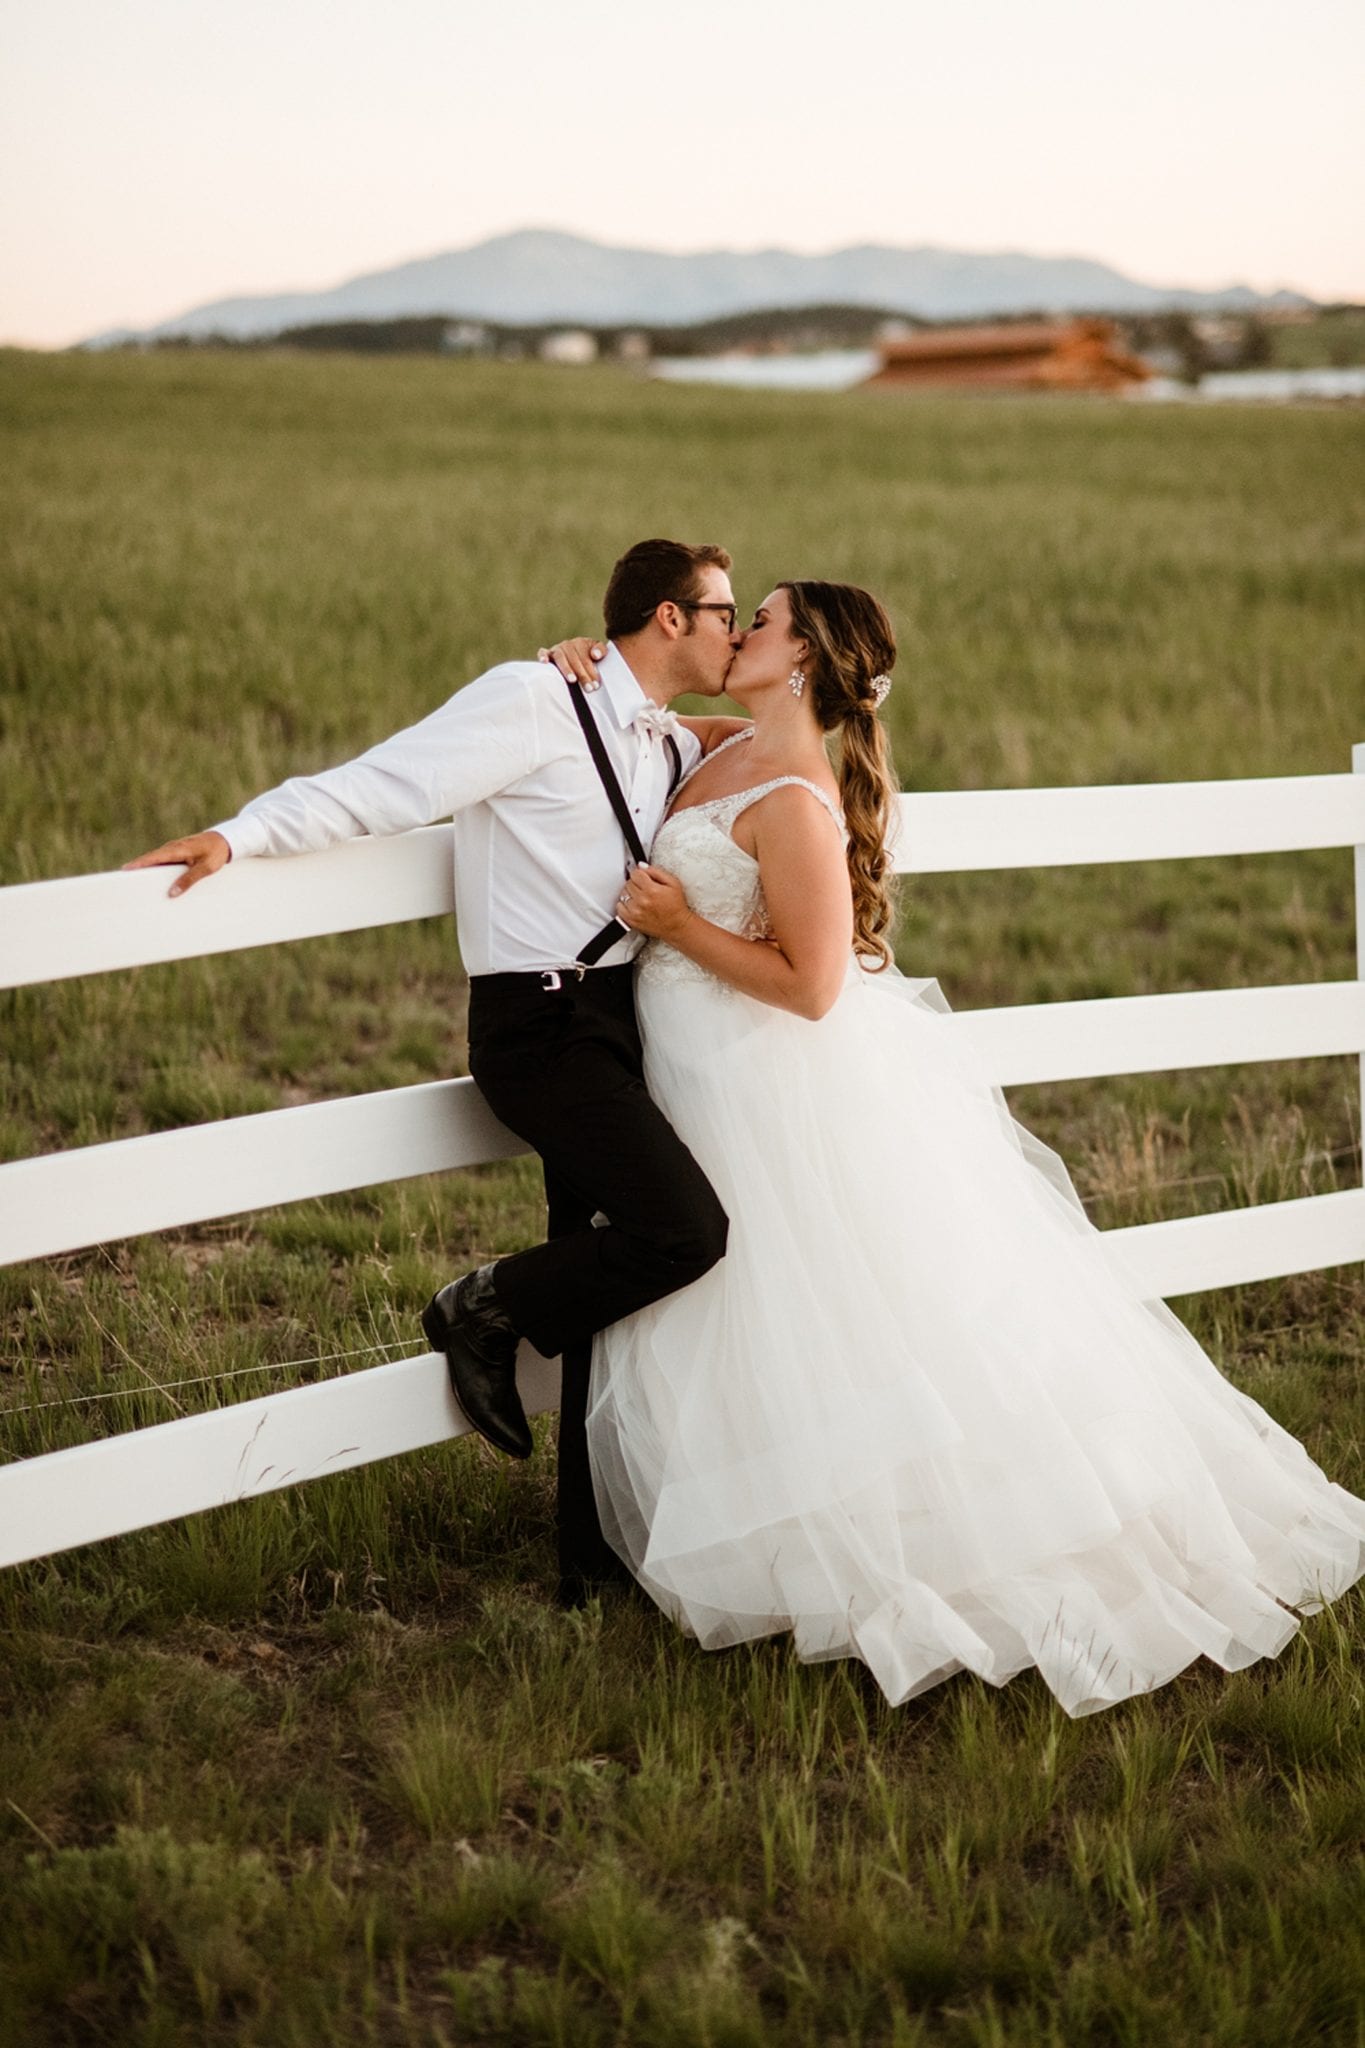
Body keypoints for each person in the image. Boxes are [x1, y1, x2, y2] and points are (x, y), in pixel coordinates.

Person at [541, 582, 1365, 1716]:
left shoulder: (796, 800)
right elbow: (635, 724)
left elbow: (815, 987)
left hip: (754, 1074)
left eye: (762, 620)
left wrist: (680, 926)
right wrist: (584, 660)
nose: (740, 630)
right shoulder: (724, 745)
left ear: (802, 660)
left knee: (805, 1303)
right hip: (690, 1069)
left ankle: (895, 1537)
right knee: (738, 1302)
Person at [126, 537, 754, 1606]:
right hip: (539, 1031)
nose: (734, 631)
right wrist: (242, 833)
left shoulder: (658, 734)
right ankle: (482, 1305)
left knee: (604, 1296)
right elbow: (389, 782)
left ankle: (588, 1560)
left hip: (616, 1021)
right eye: (723, 612)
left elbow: (759, 741)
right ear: (668, 617)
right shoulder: (533, 699)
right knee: (683, 1230)